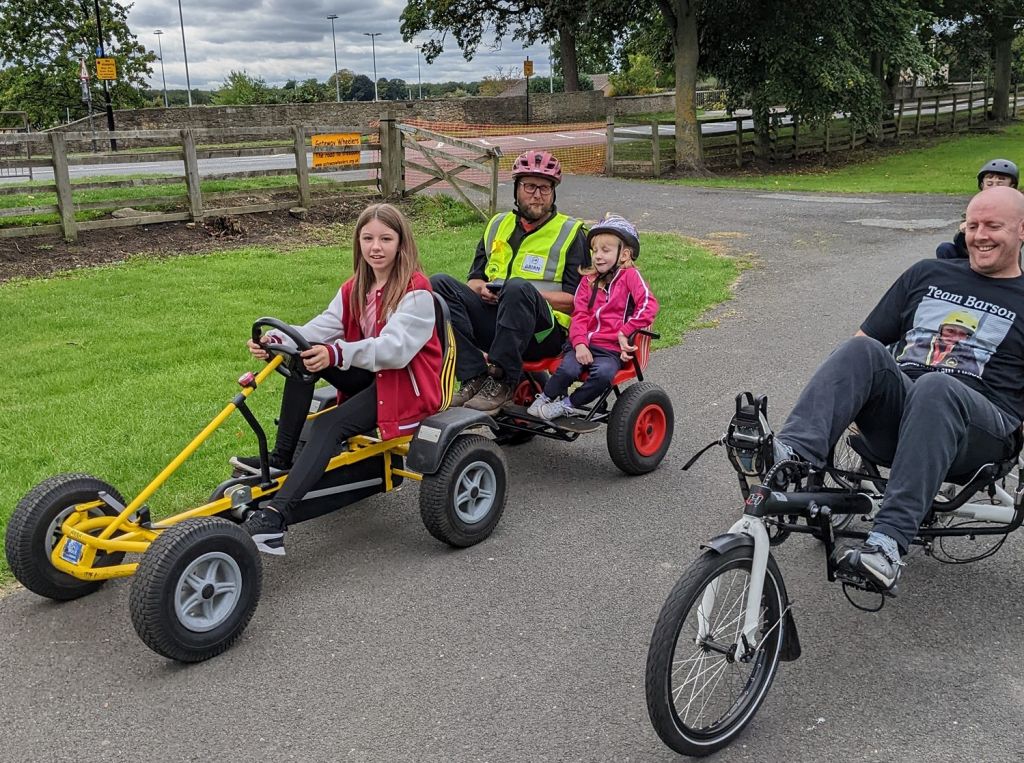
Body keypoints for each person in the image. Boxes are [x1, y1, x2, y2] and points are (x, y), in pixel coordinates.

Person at [756, 186, 1024, 592]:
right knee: (860, 349)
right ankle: (790, 455)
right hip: (901, 418)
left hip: (977, 433)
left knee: (937, 386)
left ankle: (886, 547)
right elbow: (863, 344)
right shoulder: (926, 274)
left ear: (1022, 230)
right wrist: (849, 404)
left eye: (993, 226)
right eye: (972, 225)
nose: (980, 235)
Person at [232, 203, 445, 555]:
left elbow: (394, 351)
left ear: (401, 244)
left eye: (385, 239)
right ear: (358, 243)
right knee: (303, 358)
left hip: (405, 388)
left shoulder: (417, 292)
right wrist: (277, 342)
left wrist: (337, 353)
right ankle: (283, 457)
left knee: (328, 425)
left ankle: (275, 517)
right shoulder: (354, 288)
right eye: (368, 238)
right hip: (372, 379)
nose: (376, 247)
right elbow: (317, 330)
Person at [431, 150, 590, 414]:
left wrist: (527, 296)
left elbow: (576, 302)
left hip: (543, 333)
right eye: (529, 186)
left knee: (517, 287)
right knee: (438, 285)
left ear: (553, 193)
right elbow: (474, 279)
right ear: (516, 189)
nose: (537, 195)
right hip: (497, 322)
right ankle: (474, 374)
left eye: (544, 188)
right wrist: (484, 290)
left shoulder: (571, 233)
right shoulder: (497, 224)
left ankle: (504, 382)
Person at [526, 214, 659, 420]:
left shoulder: (630, 277)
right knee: (566, 368)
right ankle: (544, 397)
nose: (598, 256)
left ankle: (567, 404)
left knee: (604, 375)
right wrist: (579, 344)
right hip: (583, 345)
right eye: (595, 250)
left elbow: (649, 305)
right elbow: (579, 314)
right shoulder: (588, 281)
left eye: (605, 250)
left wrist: (625, 331)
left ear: (624, 255)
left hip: (610, 349)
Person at [936, 158, 1018, 260]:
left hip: (999, 250)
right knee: (945, 248)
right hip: (973, 249)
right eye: (989, 183)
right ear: (982, 185)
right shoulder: (976, 205)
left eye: (1000, 183)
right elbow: (961, 235)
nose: (994, 186)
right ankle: (954, 274)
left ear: (1011, 186)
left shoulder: (1015, 206)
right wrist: (965, 227)